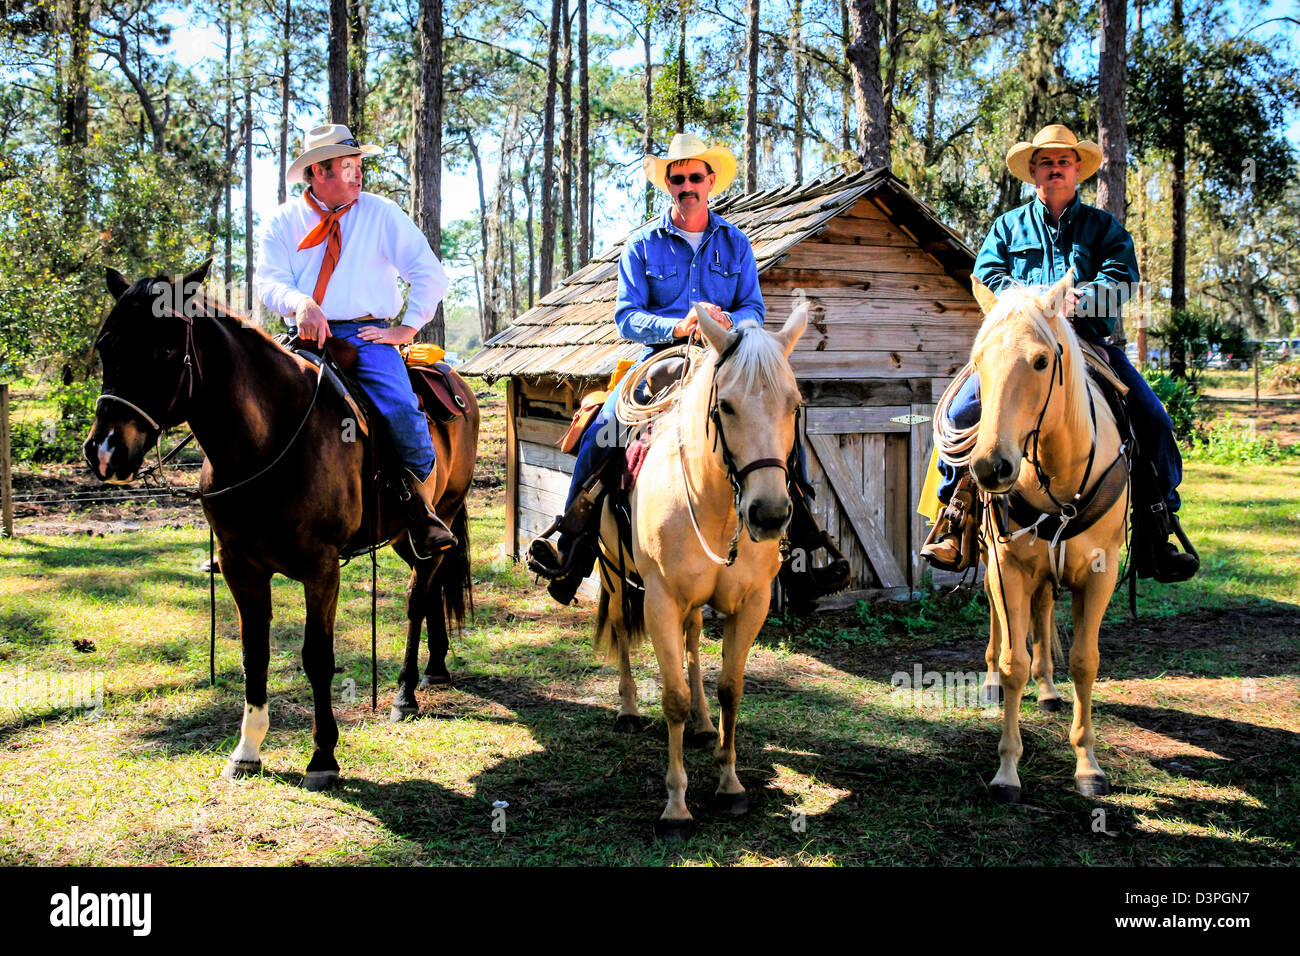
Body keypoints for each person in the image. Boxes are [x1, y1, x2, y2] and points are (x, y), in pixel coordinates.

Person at [527, 132, 848, 605]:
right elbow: (626, 316)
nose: (686, 185)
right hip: (659, 360)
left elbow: (753, 308)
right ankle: (571, 542)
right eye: (677, 178)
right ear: (668, 186)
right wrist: (678, 327)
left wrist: (725, 322)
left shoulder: (735, 243)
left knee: (779, 427)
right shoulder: (641, 244)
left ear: (710, 181)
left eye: (695, 176)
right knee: (605, 426)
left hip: (725, 358)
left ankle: (802, 544)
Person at [922, 123, 1197, 582]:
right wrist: (1031, 305)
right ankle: (953, 517)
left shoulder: (1104, 228)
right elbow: (985, 277)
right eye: (1046, 162)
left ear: (1077, 171)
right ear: (1033, 172)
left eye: (1063, 162)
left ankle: (1157, 523)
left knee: (1154, 421)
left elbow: (1124, 283)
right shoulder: (1007, 227)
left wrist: (1081, 300)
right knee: (957, 415)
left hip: (1089, 347)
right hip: (1019, 348)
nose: (1055, 169)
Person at [255, 123, 458, 559]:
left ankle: (421, 513)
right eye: (348, 167)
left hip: (366, 337)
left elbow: (429, 273)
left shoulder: (380, 214)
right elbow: (269, 282)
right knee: (253, 403)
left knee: (402, 410)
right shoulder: (283, 220)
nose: (358, 174)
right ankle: (245, 525)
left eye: (358, 165)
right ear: (318, 172)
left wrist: (406, 327)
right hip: (303, 334)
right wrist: (299, 302)